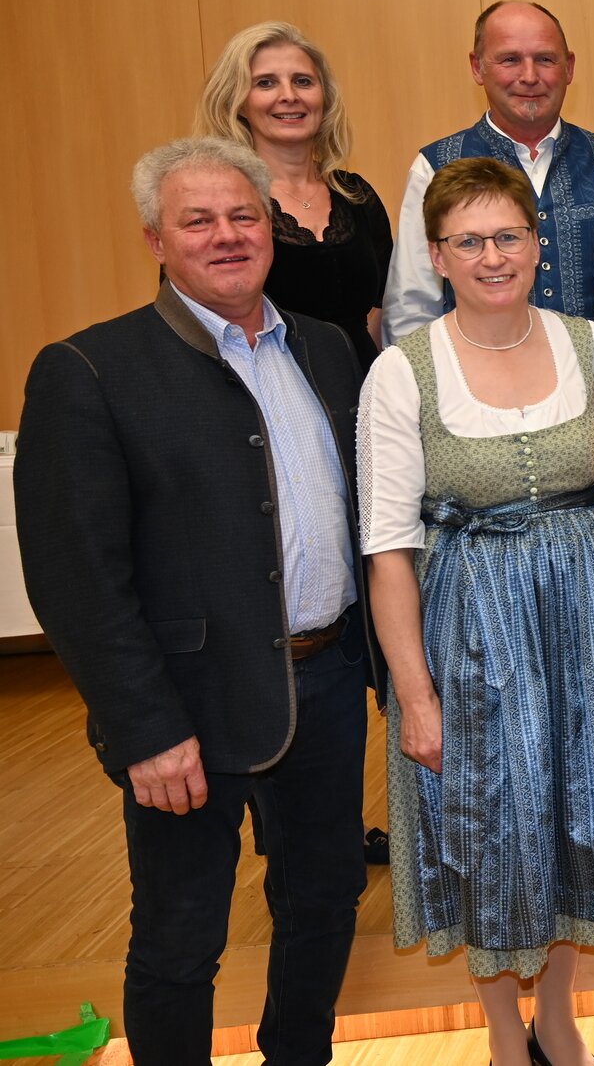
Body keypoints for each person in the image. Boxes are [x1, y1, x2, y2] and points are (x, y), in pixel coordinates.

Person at [16, 136, 373, 1064]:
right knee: (181, 937)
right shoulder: (90, 369)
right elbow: (75, 579)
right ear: (155, 239)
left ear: (271, 229)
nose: (227, 235)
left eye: (244, 215)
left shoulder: (327, 348)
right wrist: (144, 729)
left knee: (325, 900)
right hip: (189, 708)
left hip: (328, 680)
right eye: (198, 220)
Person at [360, 157, 594, 1066]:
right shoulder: (402, 372)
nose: (493, 256)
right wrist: (415, 696)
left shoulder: (592, 344)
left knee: (578, 814)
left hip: (587, 619)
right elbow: (388, 549)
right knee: (487, 824)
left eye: (509, 236)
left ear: (537, 243)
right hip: (471, 627)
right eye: (469, 241)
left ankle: (557, 1018)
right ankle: (500, 1034)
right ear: (437, 255)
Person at [384, 1, 594, 339]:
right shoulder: (435, 166)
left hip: (593, 367)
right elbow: (411, 307)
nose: (529, 77)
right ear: (478, 67)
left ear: (569, 68)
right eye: (510, 59)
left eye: (545, 59)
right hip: (473, 370)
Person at [196, 21, 393, 372]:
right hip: (264, 391)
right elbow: (192, 321)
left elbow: (382, 305)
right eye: (265, 83)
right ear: (238, 102)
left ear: (323, 97)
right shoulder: (215, 202)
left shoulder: (356, 194)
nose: (289, 95)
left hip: (363, 388)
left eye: (303, 81)